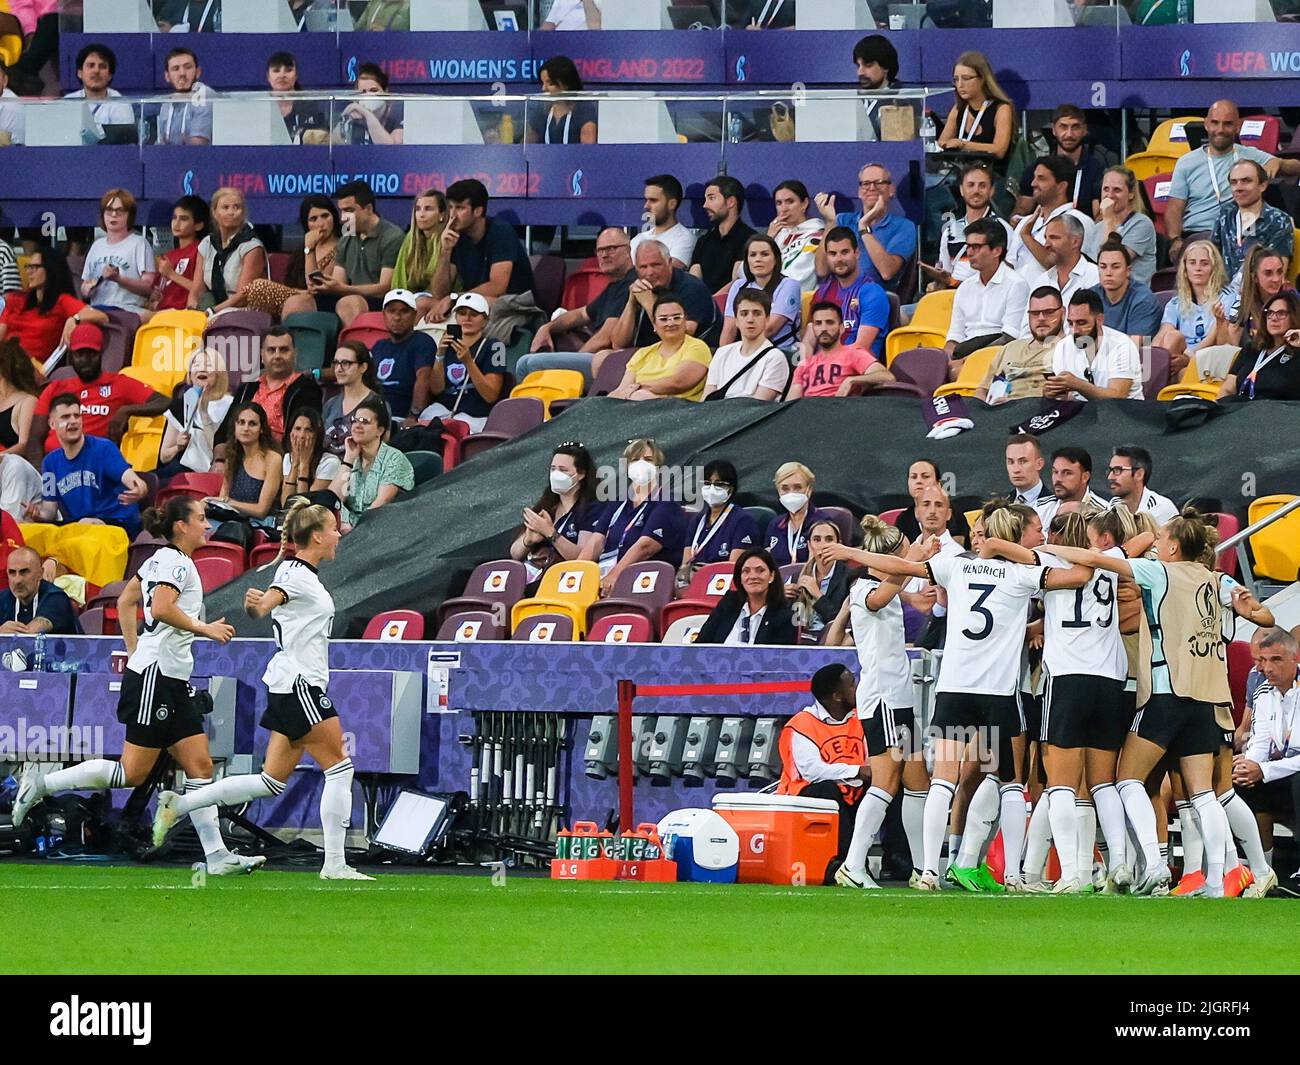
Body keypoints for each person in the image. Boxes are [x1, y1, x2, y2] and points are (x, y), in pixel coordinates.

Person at [829, 505, 1092, 892]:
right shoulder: (1024, 574)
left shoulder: (957, 566)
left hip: (954, 689)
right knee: (1009, 783)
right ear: (1017, 536)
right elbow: (1079, 578)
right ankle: (1016, 875)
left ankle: (930, 872)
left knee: (941, 783)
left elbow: (903, 569)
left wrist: (853, 554)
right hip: (997, 693)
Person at [12, 498, 260, 876]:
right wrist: (205, 629)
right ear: (181, 527)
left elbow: (128, 601)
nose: (206, 526)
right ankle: (41, 784)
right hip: (157, 680)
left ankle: (217, 856)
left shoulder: (159, 560)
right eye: (200, 519)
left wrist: (134, 651)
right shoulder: (176, 563)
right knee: (132, 772)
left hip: (166, 678)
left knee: (200, 765)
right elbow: (159, 609)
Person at [154, 496, 372, 880]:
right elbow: (265, 606)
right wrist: (257, 603)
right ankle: (335, 865)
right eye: (334, 528)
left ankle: (182, 804)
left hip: (292, 684)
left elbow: (272, 603)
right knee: (340, 768)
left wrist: (261, 603)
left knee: (271, 781)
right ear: (318, 536)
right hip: (300, 684)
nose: (339, 534)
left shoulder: (302, 573)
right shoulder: (294, 574)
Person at [1038, 508, 1240, 896]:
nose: (1157, 543)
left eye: (1164, 539)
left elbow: (1095, 559)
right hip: (1197, 695)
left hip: (1151, 691)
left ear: (1175, 546)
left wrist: (1048, 548)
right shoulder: (1213, 579)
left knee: (1116, 779)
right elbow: (1257, 613)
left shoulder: (1152, 571)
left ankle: (1139, 863)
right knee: (1202, 793)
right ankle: (1215, 880)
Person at [823, 517, 931, 887]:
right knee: (885, 783)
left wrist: (915, 561)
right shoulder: (864, 590)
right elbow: (884, 592)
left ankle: (922, 868)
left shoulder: (888, 587)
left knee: (919, 784)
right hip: (882, 699)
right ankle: (853, 865)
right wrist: (911, 561)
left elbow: (902, 588)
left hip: (899, 698)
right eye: (898, 554)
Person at [1165, 100, 1298, 258]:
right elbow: (1174, 208)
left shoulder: (1250, 155)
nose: (1220, 130)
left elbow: (1296, 167)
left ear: (1238, 126)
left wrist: (1279, 162)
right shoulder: (1186, 162)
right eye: (1215, 123)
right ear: (1206, 124)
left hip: (1240, 233)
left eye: (1227, 124)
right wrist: (1175, 240)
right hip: (1199, 235)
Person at [774, 663, 866, 867]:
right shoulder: (802, 724)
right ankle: (849, 862)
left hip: (852, 791)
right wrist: (858, 771)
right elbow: (813, 772)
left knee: (888, 785)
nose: (858, 688)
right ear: (837, 696)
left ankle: (899, 859)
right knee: (827, 789)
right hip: (806, 797)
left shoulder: (860, 718)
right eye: (852, 684)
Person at [30, 322, 169, 456]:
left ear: (101, 353)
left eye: (91, 354)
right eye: (80, 354)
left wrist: (127, 410)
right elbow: (34, 439)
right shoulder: (56, 388)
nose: (85, 360)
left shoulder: (119, 383)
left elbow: (164, 401)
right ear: (71, 356)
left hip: (94, 465)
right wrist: (42, 475)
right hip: (54, 464)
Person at [429, 178, 538, 338]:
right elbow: (439, 293)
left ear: (478, 211)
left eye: (460, 208)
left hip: (512, 303)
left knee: (455, 328)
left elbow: (498, 287)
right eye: (450, 207)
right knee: (424, 306)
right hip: (473, 303)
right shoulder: (457, 235)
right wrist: (445, 251)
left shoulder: (500, 231)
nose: (452, 215)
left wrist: (454, 298)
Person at [1236, 626, 1300, 897]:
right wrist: (1247, 766)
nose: (1267, 668)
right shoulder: (1263, 693)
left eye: (1276, 660)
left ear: (1295, 659)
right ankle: (1260, 870)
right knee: (1241, 783)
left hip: (1294, 772)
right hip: (1280, 769)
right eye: (1263, 661)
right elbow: (1261, 742)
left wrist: (1263, 769)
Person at [287, 180, 403, 327]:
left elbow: (385, 287)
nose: (343, 218)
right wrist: (326, 283)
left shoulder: (392, 237)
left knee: (350, 302)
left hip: (379, 301)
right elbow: (338, 282)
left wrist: (344, 289)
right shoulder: (346, 237)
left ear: (368, 209)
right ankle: (294, 348)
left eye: (349, 210)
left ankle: (353, 349)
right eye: (341, 211)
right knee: (297, 302)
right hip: (348, 297)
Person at [27, 394, 147, 537]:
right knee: (31, 531)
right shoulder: (49, 463)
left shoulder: (104, 448)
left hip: (117, 524)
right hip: (79, 526)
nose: (73, 421)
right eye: (65, 417)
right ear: (52, 424)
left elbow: (134, 481)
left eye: (77, 416)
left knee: (85, 525)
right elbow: (49, 511)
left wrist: (139, 488)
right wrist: (37, 514)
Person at [523, 228, 634, 368]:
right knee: (528, 361)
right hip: (596, 358)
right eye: (599, 251)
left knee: (530, 364)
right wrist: (546, 328)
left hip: (610, 363)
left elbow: (605, 338)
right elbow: (581, 313)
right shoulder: (614, 287)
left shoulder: (631, 284)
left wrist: (573, 363)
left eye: (611, 249)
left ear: (628, 250)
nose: (604, 255)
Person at [581, 438, 685, 585]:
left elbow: (645, 547)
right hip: (605, 577)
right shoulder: (619, 502)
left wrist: (614, 575)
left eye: (648, 460)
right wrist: (577, 571)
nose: (641, 464)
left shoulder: (666, 503)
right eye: (635, 460)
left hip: (643, 582)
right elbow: (596, 541)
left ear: (658, 468)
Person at [813, 163, 917, 291]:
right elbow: (821, 270)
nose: (872, 188)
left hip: (873, 297)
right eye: (866, 184)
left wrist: (864, 228)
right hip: (836, 297)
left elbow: (887, 271)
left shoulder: (904, 226)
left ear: (891, 190)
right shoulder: (842, 220)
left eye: (879, 183)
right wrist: (830, 222)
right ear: (859, 192)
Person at [0, 246, 107, 368]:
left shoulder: (62, 301)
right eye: (28, 267)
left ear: (51, 269)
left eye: (35, 267)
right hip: (6, 364)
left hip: (31, 370)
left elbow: (101, 316)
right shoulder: (16, 300)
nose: (29, 271)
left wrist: (75, 319)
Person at [606, 239, 721, 352]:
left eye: (655, 265)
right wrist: (631, 303)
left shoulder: (692, 287)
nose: (649, 273)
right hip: (650, 354)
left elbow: (680, 338)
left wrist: (649, 303)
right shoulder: (638, 287)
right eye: (643, 267)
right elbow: (618, 344)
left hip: (692, 355)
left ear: (669, 263)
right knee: (603, 356)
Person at [511, 442, 601, 582]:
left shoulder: (592, 508)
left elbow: (583, 556)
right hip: (533, 574)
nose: (556, 474)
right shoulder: (547, 505)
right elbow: (515, 553)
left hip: (566, 580)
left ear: (581, 474)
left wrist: (551, 534)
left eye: (563, 470)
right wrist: (528, 541)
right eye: (553, 469)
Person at [943, 218, 1028, 364]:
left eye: (975, 247)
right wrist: (947, 362)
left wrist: (969, 362)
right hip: (963, 353)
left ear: (997, 250)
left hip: (997, 357)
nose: (969, 253)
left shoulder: (1016, 285)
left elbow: (1009, 337)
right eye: (967, 246)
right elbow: (955, 335)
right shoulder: (965, 287)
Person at [418, 292, 508, 430]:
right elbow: (436, 390)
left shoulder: (495, 347)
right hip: (444, 410)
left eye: (474, 314)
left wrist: (469, 362)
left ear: (485, 319)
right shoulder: (447, 345)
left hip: (475, 415)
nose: (467, 318)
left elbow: (490, 395)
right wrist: (440, 355)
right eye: (462, 313)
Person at [244, 194, 341, 319]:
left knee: (258, 287)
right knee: (250, 300)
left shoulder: (341, 247)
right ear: (306, 224)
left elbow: (316, 286)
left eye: (325, 216)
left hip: (321, 302)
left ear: (334, 216)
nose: (320, 224)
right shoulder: (301, 249)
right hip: (296, 297)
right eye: (313, 219)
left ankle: (219, 310)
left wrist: (309, 249)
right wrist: (308, 248)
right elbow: (291, 284)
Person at [328, 395, 413, 531]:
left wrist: (354, 530)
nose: (357, 426)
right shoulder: (353, 457)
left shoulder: (394, 459)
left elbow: (381, 504)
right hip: (347, 528)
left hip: (382, 529)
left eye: (364, 422)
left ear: (380, 430)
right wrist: (348, 460)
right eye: (354, 421)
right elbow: (331, 499)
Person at [609, 295, 712, 403]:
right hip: (636, 400)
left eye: (677, 317)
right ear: (654, 325)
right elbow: (623, 388)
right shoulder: (642, 353)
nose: (671, 323)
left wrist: (639, 387)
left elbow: (678, 383)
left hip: (680, 409)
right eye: (663, 319)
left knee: (640, 396)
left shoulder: (697, 346)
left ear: (685, 321)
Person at [807, 229, 891, 361]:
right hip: (821, 370)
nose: (839, 259)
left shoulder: (872, 293)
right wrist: (804, 369)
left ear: (857, 253)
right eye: (833, 254)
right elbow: (808, 341)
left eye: (844, 252)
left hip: (855, 372)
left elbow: (860, 348)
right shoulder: (822, 293)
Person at [1211, 160, 1294, 291]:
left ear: (1263, 186)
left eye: (1246, 181)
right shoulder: (1225, 215)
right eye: (1234, 182)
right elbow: (1212, 258)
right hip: (1223, 296)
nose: (1238, 187)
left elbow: (1277, 275)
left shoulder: (1278, 220)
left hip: (1258, 295)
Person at [1047, 290, 1144, 402]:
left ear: (1099, 320)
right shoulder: (1063, 346)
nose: (1074, 330)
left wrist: (1077, 384)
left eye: (1082, 323)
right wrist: (1055, 394)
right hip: (1084, 415)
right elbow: (1071, 397)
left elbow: (1118, 397)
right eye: (1070, 323)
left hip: (1125, 414)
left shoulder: (1122, 345)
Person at [928, 163, 1014, 290]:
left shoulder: (1003, 228)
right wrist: (936, 284)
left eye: (982, 186)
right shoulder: (950, 230)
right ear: (961, 190)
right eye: (970, 185)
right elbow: (945, 272)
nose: (976, 191)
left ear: (992, 191)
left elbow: (1010, 270)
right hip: (952, 296)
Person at [1152, 239, 1230, 378]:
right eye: (1192, 263)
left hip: (1211, 357)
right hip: (1179, 357)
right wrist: (1150, 357)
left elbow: (1214, 339)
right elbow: (1164, 333)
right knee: (1172, 336)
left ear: (1214, 268)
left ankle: (1154, 382)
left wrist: (1188, 358)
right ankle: (1153, 375)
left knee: (1181, 372)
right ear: (1185, 269)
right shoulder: (1175, 303)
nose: (1198, 268)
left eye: (1204, 263)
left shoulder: (1226, 298)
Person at [1009, 157, 1100, 275]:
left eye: (1041, 178)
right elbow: (1009, 264)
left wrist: (1027, 236)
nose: (1033, 184)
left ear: (1061, 186)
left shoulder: (1078, 220)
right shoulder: (1026, 221)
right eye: (1034, 178)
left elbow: (1062, 265)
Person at [1015, 105, 1108, 219]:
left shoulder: (1096, 170)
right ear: (1054, 130)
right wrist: (1016, 220)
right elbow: (1022, 209)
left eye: (1075, 127)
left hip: (1082, 232)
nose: (1069, 134)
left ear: (1084, 130)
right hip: (1044, 233)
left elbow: (1099, 216)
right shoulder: (1036, 169)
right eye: (1063, 127)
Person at [231, 327, 322, 442]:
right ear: (262, 355)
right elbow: (226, 429)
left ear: (295, 354)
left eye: (284, 350)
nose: (277, 356)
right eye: (271, 350)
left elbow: (304, 438)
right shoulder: (248, 388)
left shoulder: (307, 390)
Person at [789, 301, 892, 399]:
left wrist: (852, 380)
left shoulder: (853, 353)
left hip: (840, 410)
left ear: (841, 328)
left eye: (830, 322)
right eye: (818, 323)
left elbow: (886, 376)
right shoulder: (806, 364)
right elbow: (791, 402)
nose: (824, 328)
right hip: (808, 411)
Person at [976, 287, 1063, 404]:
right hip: (998, 413)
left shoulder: (1069, 349)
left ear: (1063, 312)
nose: (1041, 318)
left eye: (1049, 312)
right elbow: (982, 390)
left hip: (1041, 414)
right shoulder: (1010, 348)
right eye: (1035, 313)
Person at [188, 187, 267, 315]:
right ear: (214, 213)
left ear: (243, 212)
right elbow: (197, 291)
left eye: (237, 207)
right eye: (225, 207)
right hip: (210, 311)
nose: (231, 212)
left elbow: (242, 298)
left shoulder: (252, 246)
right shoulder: (207, 244)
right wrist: (192, 310)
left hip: (240, 311)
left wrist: (211, 312)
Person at [1017, 214, 1100, 335]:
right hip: (1040, 350)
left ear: (1075, 241)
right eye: (1046, 238)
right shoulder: (1042, 280)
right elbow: (1026, 330)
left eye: (1054, 238)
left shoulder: (1095, 277)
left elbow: (1094, 328)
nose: (1046, 244)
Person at [703, 288, 791, 401]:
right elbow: (706, 400)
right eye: (744, 314)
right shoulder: (722, 353)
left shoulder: (775, 358)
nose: (750, 319)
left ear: (767, 319)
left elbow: (757, 407)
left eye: (757, 314)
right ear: (736, 320)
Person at [696, 547, 797, 646]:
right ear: (740, 577)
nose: (753, 576)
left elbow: (780, 657)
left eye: (760, 570)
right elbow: (700, 645)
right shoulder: (729, 602)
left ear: (772, 576)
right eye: (746, 571)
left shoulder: (785, 613)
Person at [158, 348, 234, 479]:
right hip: (180, 470)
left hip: (215, 473)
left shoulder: (231, 404)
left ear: (219, 373)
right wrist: (178, 446)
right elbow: (164, 457)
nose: (201, 369)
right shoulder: (180, 404)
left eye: (208, 365)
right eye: (196, 365)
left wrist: (203, 410)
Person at [718, 235, 802, 350]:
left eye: (765, 254)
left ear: (776, 258)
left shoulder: (789, 285)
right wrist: (722, 356)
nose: (758, 259)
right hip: (744, 350)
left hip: (780, 351)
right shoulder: (738, 286)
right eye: (753, 255)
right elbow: (729, 329)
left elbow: (770, 329)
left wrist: (745, 355)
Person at [81, 188, 157, 314]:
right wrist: (88, 289)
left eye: (120, 210)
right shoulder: (96, 246)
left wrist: (118, 279)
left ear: (129, 216)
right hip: (97, 310)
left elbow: (149, 287)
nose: (114, 214)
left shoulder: (139, 243)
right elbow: (84, 286)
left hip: (128, 310)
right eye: (109, 210)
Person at [371, 289, 440, 425]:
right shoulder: (379, 346)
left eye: (404, 311)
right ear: (384, 315)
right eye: (392, 311)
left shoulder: (422, 342)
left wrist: (413, 416)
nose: (397, 317)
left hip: (401, 416)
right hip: (374, 414)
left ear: (414, 314)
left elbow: (423, 380)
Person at [1218, 290, 1300, 402]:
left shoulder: (1297, 353)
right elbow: (1227, 389)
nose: (1274, 318)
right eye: (1270, 313)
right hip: (1239, 412)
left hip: (1278, 414)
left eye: (1281, 313)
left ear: (1295, 316)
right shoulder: (1251, 349)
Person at [936, 50, 1015, 165]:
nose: (960, 85)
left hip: (992, 176)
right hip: (961, 176)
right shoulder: (958, 109)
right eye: (956, 79)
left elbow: (999, 150)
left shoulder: (1002, 108)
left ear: (982, 79)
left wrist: (963, 145)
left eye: (966, 78)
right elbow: (942, 143)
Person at [679, 460, 758, 572]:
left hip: (721, 582)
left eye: (719, 484)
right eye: (707, 483)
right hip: (694, 580)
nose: (711, 488)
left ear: (731, 488)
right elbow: (685, 564)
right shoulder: (697, 520)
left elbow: (733, 568)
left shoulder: (743, 521)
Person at [214, 402, 281, 528]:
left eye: (252, 424)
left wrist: (229, 502)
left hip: (261, 524)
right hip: (234, 520)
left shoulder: (272, 459)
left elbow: (261, 510)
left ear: (261, 429)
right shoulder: (232, 457)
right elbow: (223, 499)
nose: (246, 428)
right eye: (241, 422)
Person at [1091, 235, 1161, 346]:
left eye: (1115, 267)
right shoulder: (1091, 296)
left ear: (1128, 270)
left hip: (1137, 359)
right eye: (1103, 267)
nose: (1108, 273)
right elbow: (1080, 337)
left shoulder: (1143, 299)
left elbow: (1135, 344)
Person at [788, 519, 851, 641]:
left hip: (831, 642)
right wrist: (783, 599)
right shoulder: (796, 576)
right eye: (817, 539)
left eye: (829, 539)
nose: (823, 545)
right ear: (809, 544)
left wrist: (817, 595)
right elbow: (793, 623)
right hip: (800, 643)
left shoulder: (849, 576)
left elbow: (845, 624)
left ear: (839, 544)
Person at [691, 175, 755, 295]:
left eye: (711, 198)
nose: (705, 205)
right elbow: (694, 279)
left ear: (730, 202)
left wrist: (712, 303)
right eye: (705, 199)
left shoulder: (750, 239)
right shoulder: (703, 241)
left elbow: (737, 282)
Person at [1096, 167, 1157, 287]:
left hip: (1133, 294)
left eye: (1117, 190)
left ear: (1130, 194)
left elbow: (1113, 261)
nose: (1110, 195)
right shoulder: (1096, 228)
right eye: (1106, 189)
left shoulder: (1142, 224)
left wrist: (1108, 219)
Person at [65, 43, 136, 145]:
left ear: (110, 76)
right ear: (80, 73)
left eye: (102, 66)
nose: (96, 71)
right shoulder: (68, 101)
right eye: (91, 65)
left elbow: (124, 144)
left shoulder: (120, 103)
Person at [321, 341, 384, 456]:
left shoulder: (377, 403)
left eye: (346, 363)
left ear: (363, 367)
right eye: (336, 363)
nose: (339, 369)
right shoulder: (330, 404)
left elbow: (380, 449)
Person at [0, 545, 80, 635]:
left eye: (24, 572)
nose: (17, 580)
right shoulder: (3, 598)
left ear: (40, 573)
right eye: (12, 572)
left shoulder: (57, 598)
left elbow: (29, 634)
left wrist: (3, 635)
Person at [152, 195, 210, 313]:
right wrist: (153, 297)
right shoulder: (168, 255)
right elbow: (158, 290)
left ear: (198, 225)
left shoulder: (201, 250)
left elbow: (201, 291)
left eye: (183, 219)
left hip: (184, 313)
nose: (176, 223)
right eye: (174, 217)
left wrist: (172, 274)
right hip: (161, 312)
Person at [1225, 245, 1292, 345]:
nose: (1276, 279)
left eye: (1279, 272)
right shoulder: (1242, 302)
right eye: (1268, 273)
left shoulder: (1292, 297)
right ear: (1255, 277)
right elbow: (1232, 344)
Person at [764, 461, 826, 566]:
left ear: (809, 490)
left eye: (797, 487)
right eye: (785, 488)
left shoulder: (822, 523)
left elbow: (823, 565)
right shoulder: (775, 525)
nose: (791, 493)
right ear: (778, 491)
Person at [767, 180, 825, 291]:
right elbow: (744, 271)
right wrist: (768, 239)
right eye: (779, 203)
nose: (783, 209)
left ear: (804, 203)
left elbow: (798, 275)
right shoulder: (776, 234)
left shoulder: (817, 233)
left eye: (790, 202)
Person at [525, 55, 597, 145]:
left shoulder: (584, 110)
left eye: (550, 83)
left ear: (566, 83)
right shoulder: (541, 111)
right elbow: (526, 144)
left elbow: (588, 151)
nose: (544, 88)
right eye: (542, 83)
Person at [629, 174, 696, 270]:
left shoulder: (684, 239)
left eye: (653, 200)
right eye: (646, 200)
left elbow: (665, 273)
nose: (646, 206)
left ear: (672, 204)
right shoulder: (638, 239)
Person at [392, 189, 447, 304]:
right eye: (418, 209)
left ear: (441, 214)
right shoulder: (410, 239)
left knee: (421, 303)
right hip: (412, 300)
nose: (421, 215)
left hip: (442, 301)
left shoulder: (448, 239)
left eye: (428, 209)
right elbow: (400, 279)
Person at [280, 408, 341, 508]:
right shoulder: (288, 458)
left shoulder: (330, 463)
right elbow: (286, 505)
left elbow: (306, 508)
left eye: (308, 430)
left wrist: (304, 465)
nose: (302, 435)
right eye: (298, 429)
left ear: (317, 435)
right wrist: (295, 464)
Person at [1035, 446, 1109, 526]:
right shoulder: (1041, 507)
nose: (1058, 479)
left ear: (1085, 477)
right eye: (1055, 472)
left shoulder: (1103, 512)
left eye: (1067, 473)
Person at [154, 47, 213, 146]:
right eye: (175, 69)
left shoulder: (204, 96)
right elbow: (162, 141)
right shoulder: (166, 103)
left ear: (198, 72)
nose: (182, 73)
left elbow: (198, 145)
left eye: (188, 67)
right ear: (167, 76)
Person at [1106, 446, 1179, 525]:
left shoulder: (1161, 508)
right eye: (1110, 470)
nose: (1110, 477)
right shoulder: (1112, 505)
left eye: (1117, 470)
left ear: (1139, 474)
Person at [267, 50, 327, 145]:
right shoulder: (261, 106)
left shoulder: (311, 105)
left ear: (296, 76)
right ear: (268, 77)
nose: (282, 75)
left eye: (288, 70)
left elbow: (323, 139)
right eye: (276, 70)